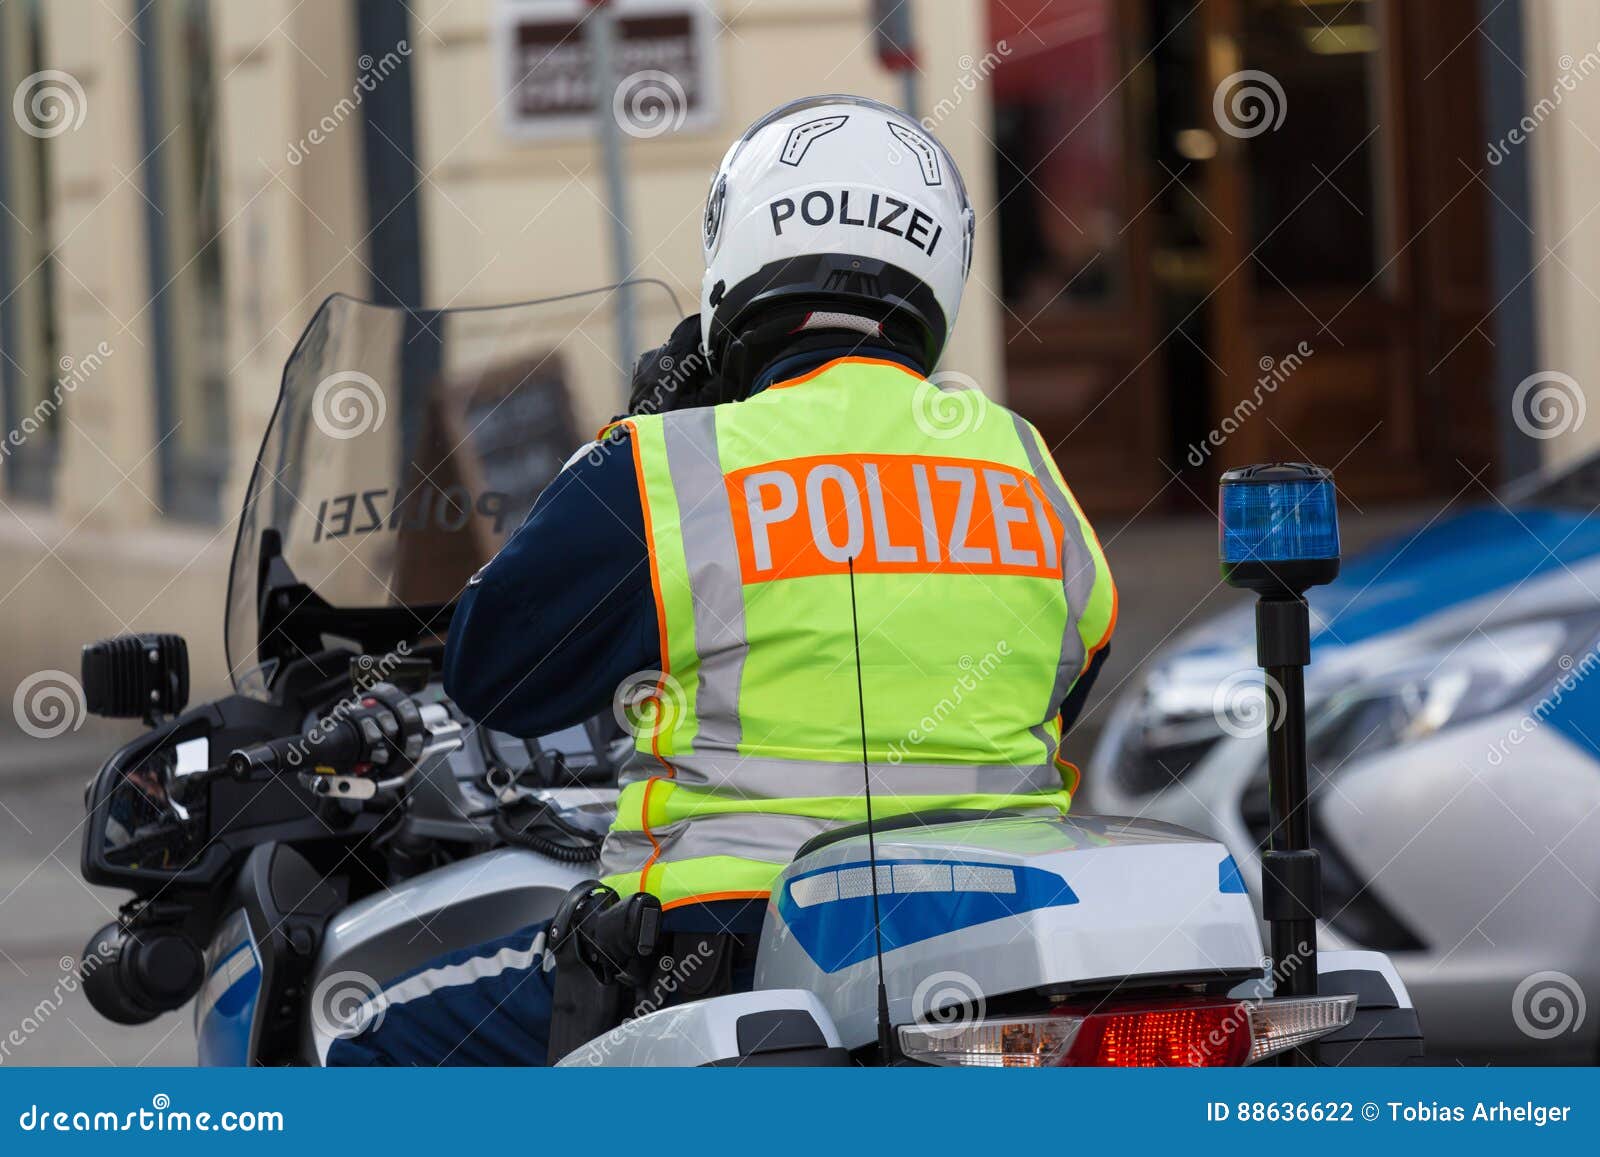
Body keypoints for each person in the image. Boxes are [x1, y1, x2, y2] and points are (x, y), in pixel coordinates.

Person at [326, 95, 1115, 1066]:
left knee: (370, 1041)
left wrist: (643, 430)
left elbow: (493, 668)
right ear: (936, 267)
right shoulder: (1018, 462)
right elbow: (1073, 671)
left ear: (733, 259)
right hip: (1004, 941)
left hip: (723, 946)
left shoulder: (674, 463)